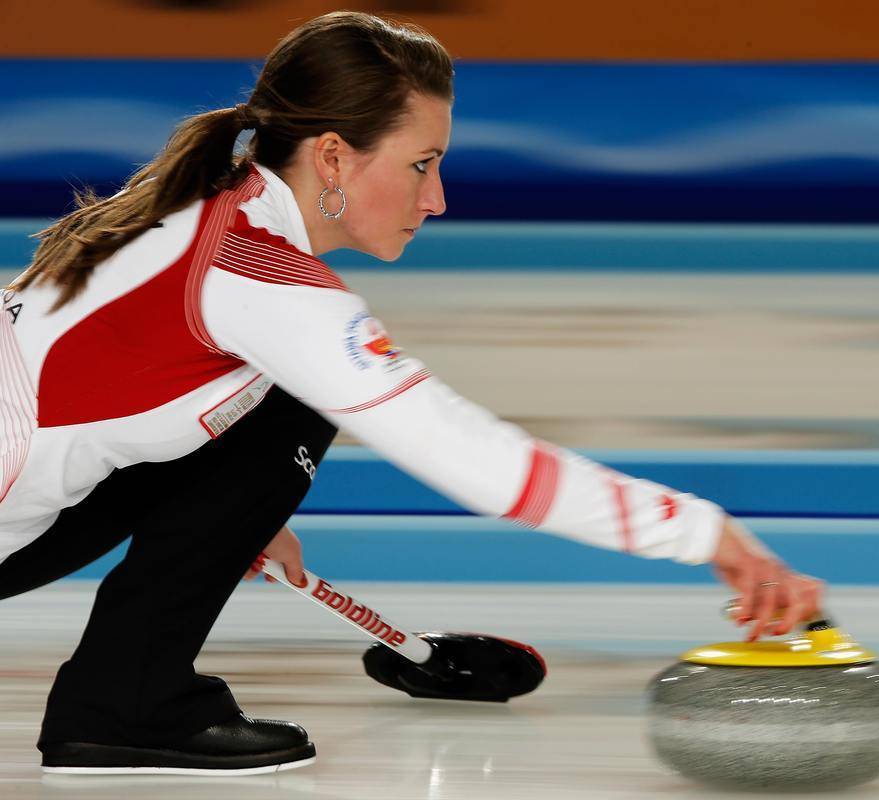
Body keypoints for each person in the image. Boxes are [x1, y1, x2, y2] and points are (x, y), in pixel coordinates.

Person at [0, 11, 823, 776]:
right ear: (332, 157)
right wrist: (711, 537)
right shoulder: (259, 277)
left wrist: (228, 515)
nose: (437, 199)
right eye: (421, 164)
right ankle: (127, 705)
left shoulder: (206, 206)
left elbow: (102, 386)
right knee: (302, 399)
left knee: (289, 401)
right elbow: (482, 462)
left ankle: (122, 700)